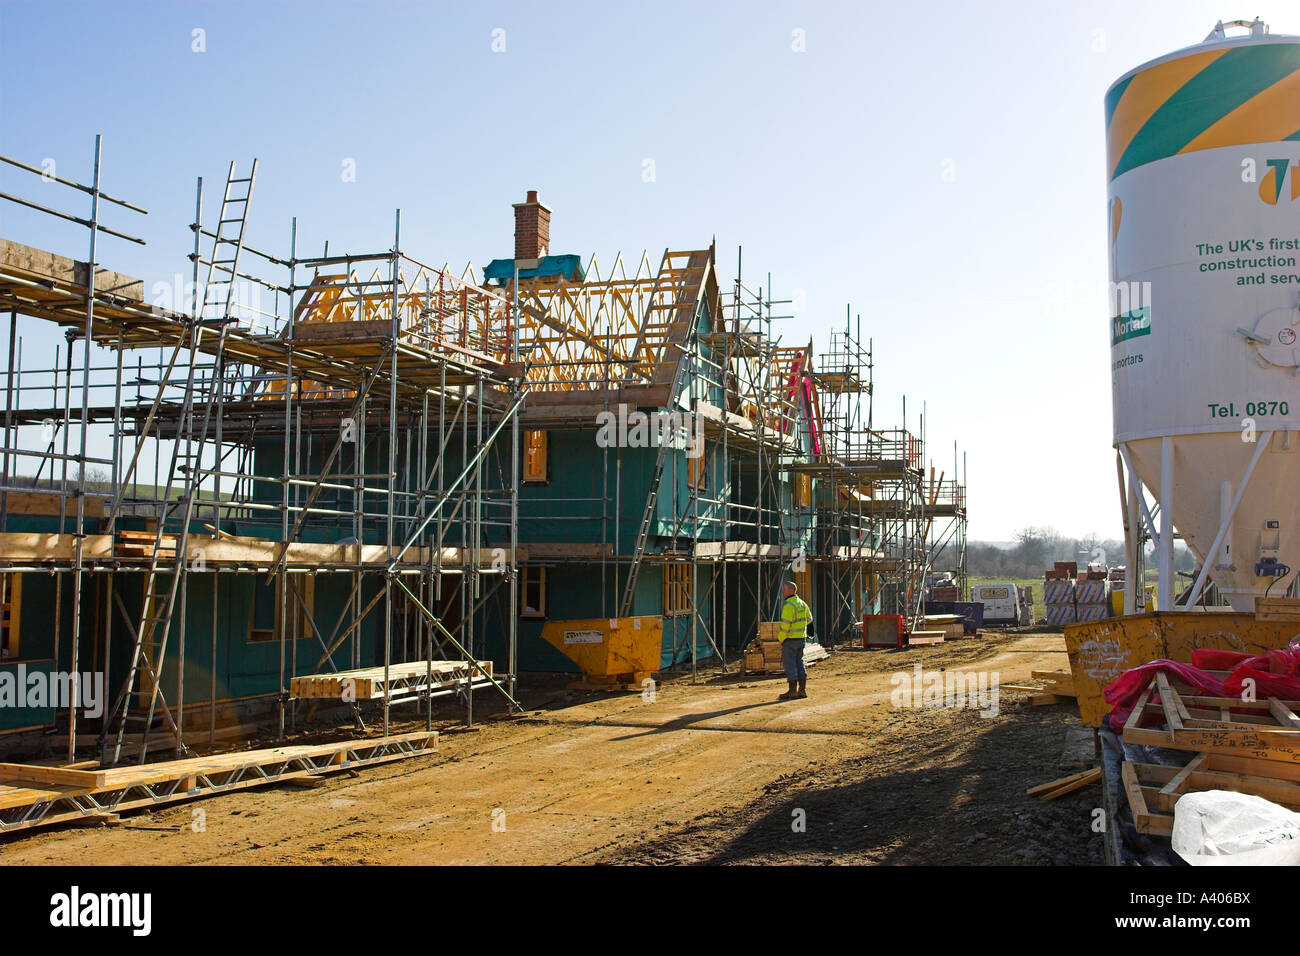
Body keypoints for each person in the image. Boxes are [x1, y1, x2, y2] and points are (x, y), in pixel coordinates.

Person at [777, 580, 811, 700]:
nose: (783, 592)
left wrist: (780, 639)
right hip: (801, 639)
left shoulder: (789, 606)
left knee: (790, 664)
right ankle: (802, 690)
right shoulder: (802, 603)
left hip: (790, 640)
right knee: (799, 663)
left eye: (784, 590)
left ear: (791, 590)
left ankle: (792, 691)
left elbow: (785, 626)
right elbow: (809, 618)